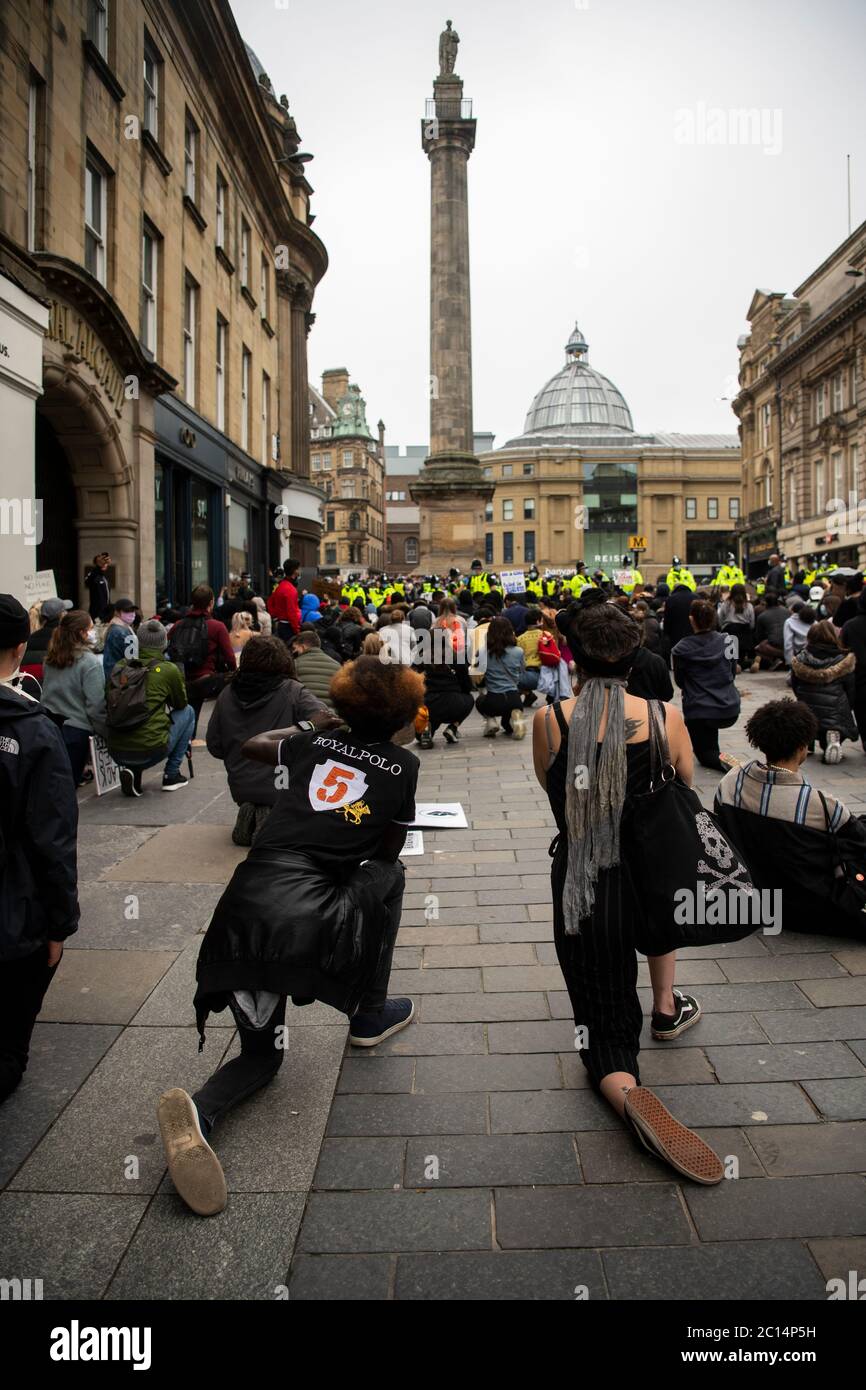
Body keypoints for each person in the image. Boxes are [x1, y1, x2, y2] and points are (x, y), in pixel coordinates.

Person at [157, 657, 424, 1216]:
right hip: (311, 922)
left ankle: (202, 1112)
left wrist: (315, 728)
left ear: (344, 704)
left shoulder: (308, 747)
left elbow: (254, 745)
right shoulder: (401, 766)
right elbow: (388, 852)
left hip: (242, 918)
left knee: (262, 1058)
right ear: (402, 714)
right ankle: (369, 1016)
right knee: (393, 878)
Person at [532, 600, 722, 1184]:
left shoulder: (552, 720)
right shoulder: (665, 716)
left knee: (605, 1021)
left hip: (586, 885)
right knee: (656, 928)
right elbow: (686, 787)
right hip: (654, 881)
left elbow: (554, 793)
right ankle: (666, 1006)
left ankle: (622, 1084)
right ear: (636, 657)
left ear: (575, 658)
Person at [0, 595, 79, 1104]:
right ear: (19, 647)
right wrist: (58, 924)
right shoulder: (31, 731)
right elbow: (50, 839)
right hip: (12, 920)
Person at [715, 699, 866, 938]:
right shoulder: (821, 805)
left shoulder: (731, 783)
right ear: (802, 747)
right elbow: (858, 840)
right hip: (810, 906)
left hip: (756, 895)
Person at [207, 635, 329, 844]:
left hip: (241, 783)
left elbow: (215, 746)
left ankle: (254, 810)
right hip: (283, 783)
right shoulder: (292, 690)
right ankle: (272, 818)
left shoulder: (227, 693)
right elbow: (327, 720)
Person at [104, 619, 195, 795]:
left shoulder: (121, 666)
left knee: (140, 727)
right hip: (152, 749)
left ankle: (134, 772)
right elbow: (180, 703)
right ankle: (171, 774)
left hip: (116, 748)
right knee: (188, 712)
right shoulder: (168, 669)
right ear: (164, 642)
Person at [671, 598, 740, 771]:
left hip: (699, 710)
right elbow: (732, 673)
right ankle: (720, 753)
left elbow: (680, 681)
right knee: (710, 743)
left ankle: (738, 766)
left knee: (705, 755)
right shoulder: (729, 641)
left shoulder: (680, 649)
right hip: (729, 707)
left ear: (691, 619)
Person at [42, 610, 108, 786]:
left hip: (48, 726)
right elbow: (96, 705)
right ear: (81, 632)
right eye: (91, 628)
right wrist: (106, 732)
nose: (93, 632)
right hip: (75, 731)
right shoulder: (89, 662)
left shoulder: (51, 658)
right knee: (67, 787)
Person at [168, 584, 237, 736]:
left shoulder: (178, 625)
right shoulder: (217, 626)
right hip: (207, 681)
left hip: (182, 680)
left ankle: (187, 735)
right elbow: (230, 658)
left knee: (192, 706)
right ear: (211, 603)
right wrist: (234, 671)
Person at [789, 620, 857, 765]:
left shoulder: (801, 658)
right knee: (837, 722)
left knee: (806, 722)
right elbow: (851, 687)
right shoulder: (843, 659)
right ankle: (831, 739)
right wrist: (848, 705)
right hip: (835, 706)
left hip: (808, 703)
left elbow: (795, 684)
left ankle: (808, 743)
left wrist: (801, 697)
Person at [419, 624, 474, 747]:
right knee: (470, 698)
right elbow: (467, 685)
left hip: (428, 704)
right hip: (454, 703)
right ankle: (453, 727)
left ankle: (428, 730)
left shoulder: (421, 658)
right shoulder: (456, 657)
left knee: (429, 720)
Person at [475, 615, 527, 738]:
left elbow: (478, 676)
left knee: (479, 701)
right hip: (515, 699)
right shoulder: (518, 651)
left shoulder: (482, 652)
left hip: (493, 700)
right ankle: (515, 721)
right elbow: (522, 671)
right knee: (507, 726)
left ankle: (491, 721)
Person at [20, 596, 72, 683]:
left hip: (31, 689)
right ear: (62, 615)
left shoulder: (29, 639)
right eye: (65, 611)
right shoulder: (66, 639)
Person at [289, 628, 341, 710]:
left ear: (303, 647)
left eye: (295, 648)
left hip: (305, 715)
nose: (293, 652)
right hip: (331, 715)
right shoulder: (337, 666)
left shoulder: (295, 664)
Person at [717, 583, 756, 671]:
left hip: (729, 633)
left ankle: (735, 665)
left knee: (730, 657)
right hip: (745, 636)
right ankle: (747, 664)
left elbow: (720, 619)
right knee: (741, 656)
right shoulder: (749, 606)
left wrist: (722, 628)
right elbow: (752, 623)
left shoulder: (726, 604)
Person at [266, 557, 302, 643]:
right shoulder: (290, 589)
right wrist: (297, 630)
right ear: (295, 571)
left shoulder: (280, 586)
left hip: (281, 624)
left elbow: (270, 603)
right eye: (298, 568)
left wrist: (276, 616)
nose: (300, 571)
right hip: (289, 627)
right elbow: (292, 612)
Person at [102, 598, 139, 679]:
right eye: (127, 611)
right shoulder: (121, 631)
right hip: (120, 678)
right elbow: (132, 659)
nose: (132, 614)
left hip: (114, 675)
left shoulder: (116, 627)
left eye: (133, 610)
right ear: (117, 613)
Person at [754, 590, 787, 669]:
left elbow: (759, 636)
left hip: (774, 646)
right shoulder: (787, 611)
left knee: (758, 648)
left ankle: (774, 660)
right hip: (789, 645)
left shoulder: (762, 616)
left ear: (766, 603)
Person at [783, 601, 816, 666]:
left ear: (792, 611)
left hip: (799, 654)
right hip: (815, 653)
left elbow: (788, 643)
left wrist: (790, 661)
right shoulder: (814, 621)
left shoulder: (789, 622)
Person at [84, 552, 111, 621]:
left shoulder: (104, 577)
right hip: (96, 612)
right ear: (96, 563)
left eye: (105, 562)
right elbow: (87, 582)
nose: (104, 564)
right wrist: (98, 566)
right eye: (102, 561)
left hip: (106, 611)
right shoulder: (93, 575)